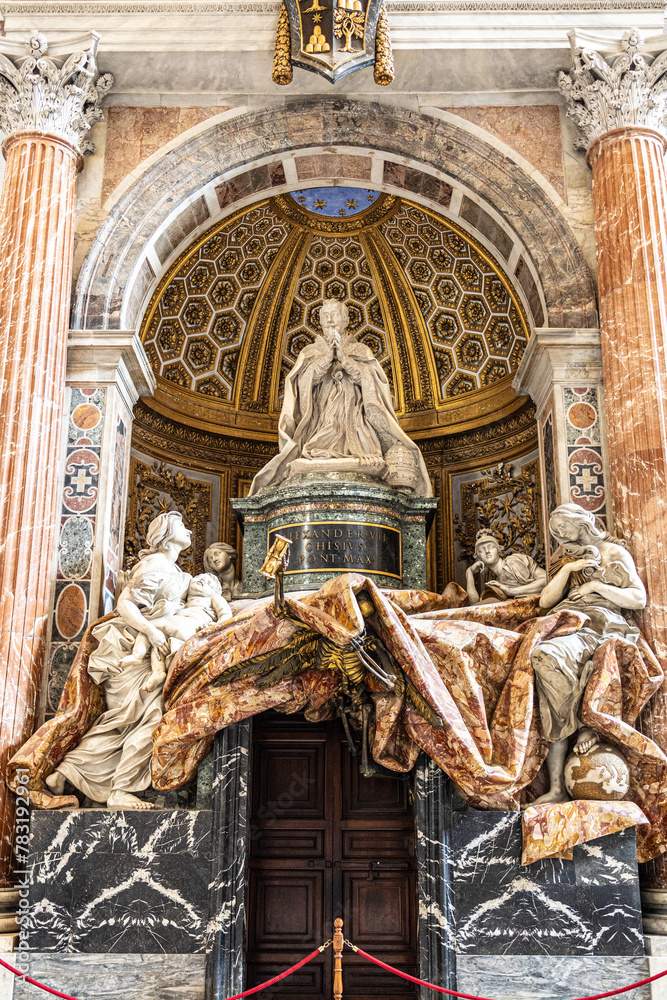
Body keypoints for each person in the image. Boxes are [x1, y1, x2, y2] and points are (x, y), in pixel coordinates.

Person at [44, 511, 193, 810]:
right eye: (182, 526)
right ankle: (120, 791)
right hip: (129, 651)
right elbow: (126, 604)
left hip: (150, 650)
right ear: (165, 536)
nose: (188, 530)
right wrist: (151, 631)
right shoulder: (156, 565)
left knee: (123, 724)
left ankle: (66, 772)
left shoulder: (177, 572)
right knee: (148, 717)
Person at [248, 298, 432, 497]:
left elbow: (371, 382)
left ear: (345, 320)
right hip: (319, 418)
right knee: (318, 442)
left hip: (353, 418)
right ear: (320, 321)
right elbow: (300, 386)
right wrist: (326, 359)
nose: (330, 320)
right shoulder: (309, 352)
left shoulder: (361, 351)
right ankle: (320, 453)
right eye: (325, 316)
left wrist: (345, 359)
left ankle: (354, 454)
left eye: (335, 315)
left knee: (364, 450)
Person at [530, 503, 646, 804]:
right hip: (567, 624)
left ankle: (584, 727)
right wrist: (569, 569)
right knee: (543, 658)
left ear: (580, 522)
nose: (558, 534)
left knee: (559, 663)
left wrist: (596, 585)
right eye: (554, 532)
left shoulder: (613, 552)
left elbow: (638, 598)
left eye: (562, 527)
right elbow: (545, 600)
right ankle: (556, 786)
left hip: (600, 624)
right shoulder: (566, 559)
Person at [121, 573, 233, 694]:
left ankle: (137, 655)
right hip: (178, 627)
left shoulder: (212, 599)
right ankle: (158, 672)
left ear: (214, 592)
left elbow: (225, 614)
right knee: (158, 645)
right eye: (199, 578)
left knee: (150, 628)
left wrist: (215, 627)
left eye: (208, 583)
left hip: (190, 627)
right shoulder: (183, 602)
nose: (202, 581)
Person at [465, 530, 546, 604]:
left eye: (491, 547)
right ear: (479, 558)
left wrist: (511, 591)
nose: (487, 551)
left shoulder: (513, 562)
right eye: (481, 550)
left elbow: (546, 579)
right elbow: (474, 604)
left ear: (499, 550)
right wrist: (470, 572)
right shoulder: (498, 582)